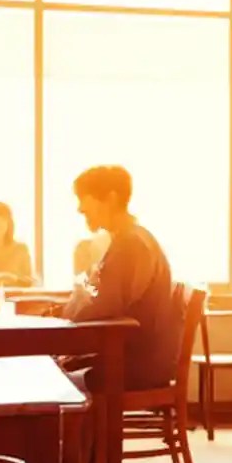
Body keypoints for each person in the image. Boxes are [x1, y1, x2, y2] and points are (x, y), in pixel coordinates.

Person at [63, 165, 180, 392]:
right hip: (138, 359)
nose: (79, 208)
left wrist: (69, 316)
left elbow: (108, 306)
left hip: (135, 367)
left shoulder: (131, 245)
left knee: (55, 385)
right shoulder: (132, 238)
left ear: (111, 198)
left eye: (84, 198)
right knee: (61, 370)